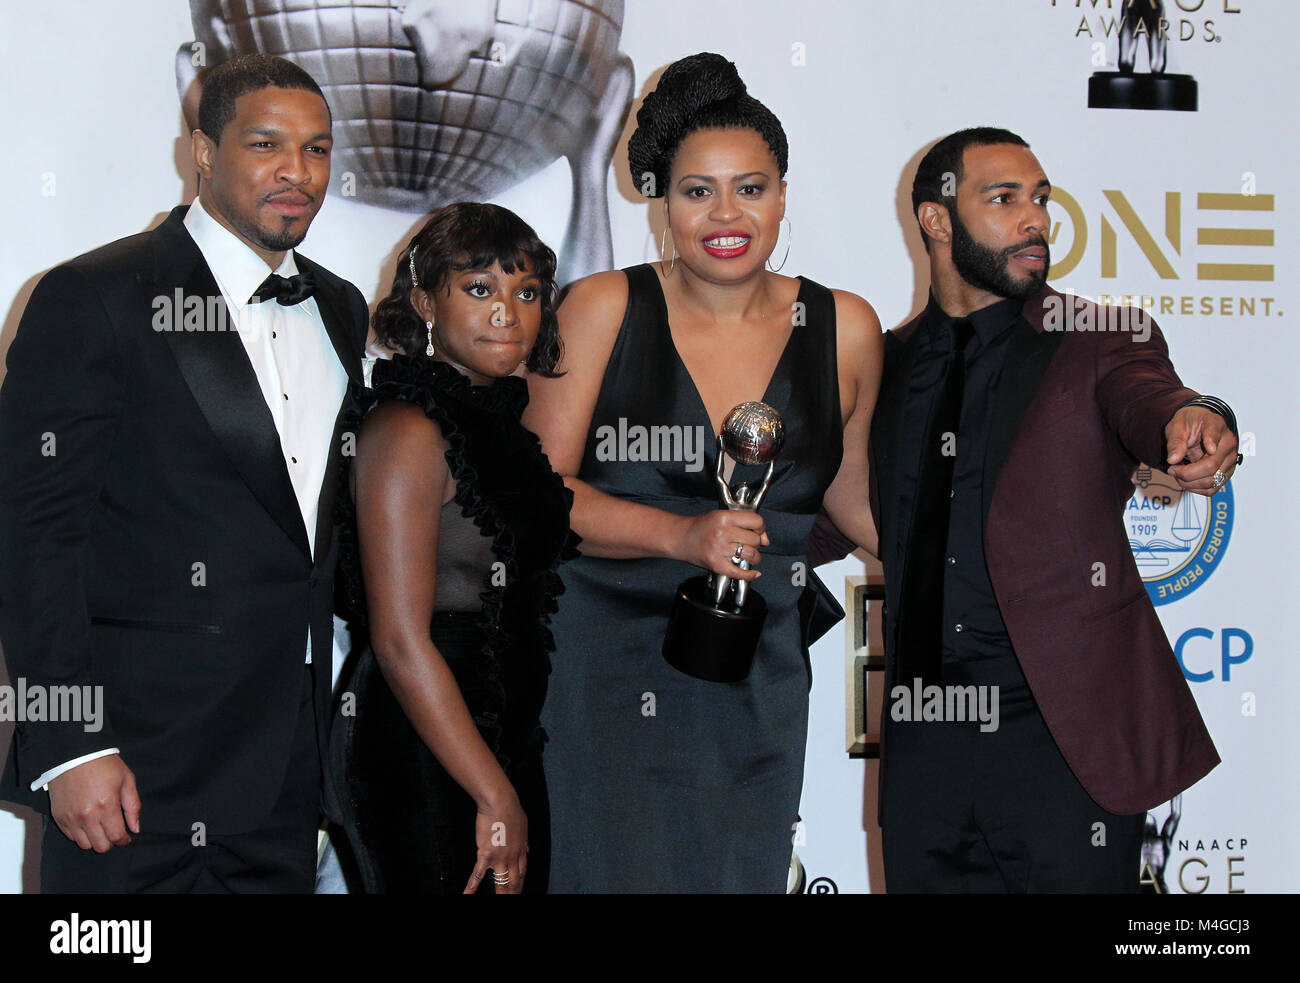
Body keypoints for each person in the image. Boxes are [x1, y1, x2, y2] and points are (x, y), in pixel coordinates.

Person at [809, 127, 1233, 892]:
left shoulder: (1104, 337)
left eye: (1040, 199)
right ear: (937, 221)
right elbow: (831, 510)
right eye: (1003, 199)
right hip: (924, 739)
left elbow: (1152, 397)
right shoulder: (888, 362)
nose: (1035, 218)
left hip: (1060, 738)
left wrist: (1192, 415)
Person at [0, 54, 368, 892]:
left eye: (317, 149)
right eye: (267, 144)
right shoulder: (96, 295)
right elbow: (31, 539)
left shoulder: (339, 307)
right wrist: (71, 745)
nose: (297, 173)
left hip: (285, 780)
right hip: (128, 778)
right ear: (202, 152)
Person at [524, 52, 883, 893]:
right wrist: (682, 533)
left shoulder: (845, 326)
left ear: (783, 194)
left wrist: (988, 557)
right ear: (661, 200)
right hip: (603, 664)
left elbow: (853, 495)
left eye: (751, 188)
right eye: (697, 191)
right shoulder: (603, 307)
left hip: (755, 666)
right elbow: (535, 494)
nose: (727, 214)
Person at [330, 203, 575, 895]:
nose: (508, 311)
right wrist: (494, 796)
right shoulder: (408, 427)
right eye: (479, 288)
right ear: (423, 301)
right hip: (421, 747)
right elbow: (401, 640)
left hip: (500, 741)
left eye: (526, 292)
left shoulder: (501, 424)